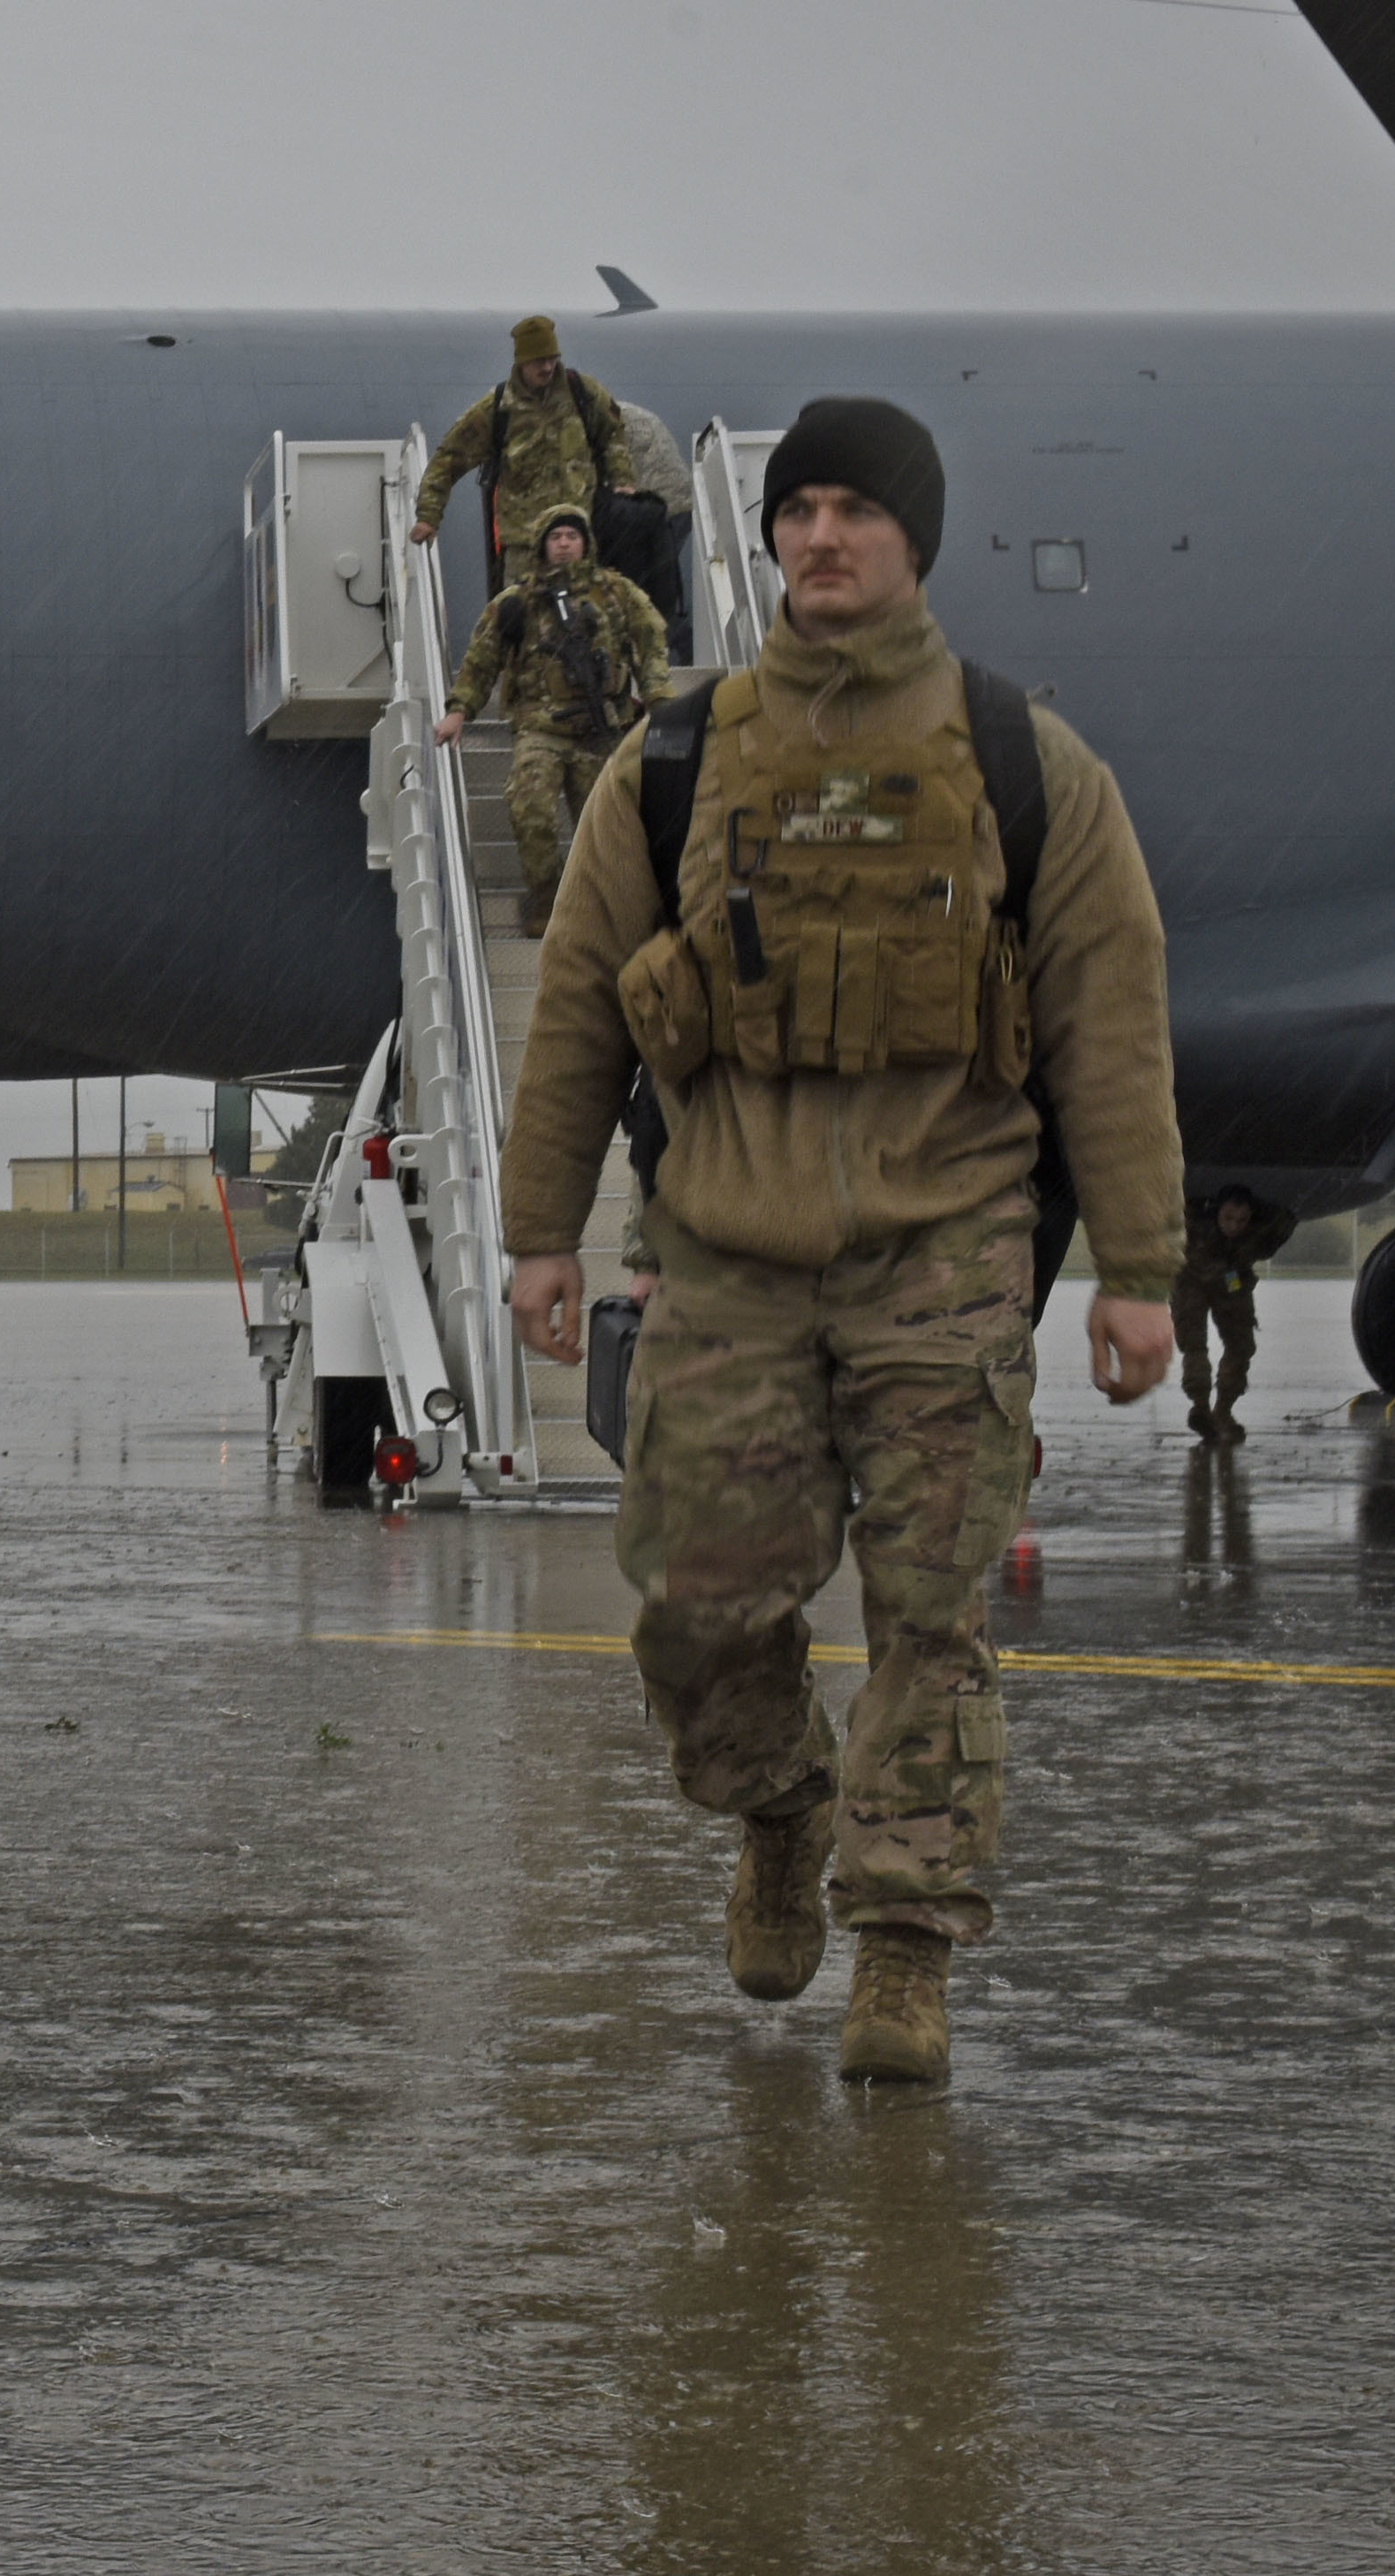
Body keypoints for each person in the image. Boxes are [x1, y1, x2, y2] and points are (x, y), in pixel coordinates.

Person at [499, 396, 1180, 2087]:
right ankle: (781, 1810)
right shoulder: (672, 760)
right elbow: (579, 1000)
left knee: (930, 1614)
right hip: (725, 1250)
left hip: (941, 1247)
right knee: (691, 1607)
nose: (818, 536)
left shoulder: (1024, 764)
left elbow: (1108, 1017)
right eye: (796, 507)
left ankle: (901, 1949)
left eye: (852, 511)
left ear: (910, 540)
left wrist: (1144, 1271)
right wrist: (538, 1234)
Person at [435, 503, 671, 897]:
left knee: (608, 830)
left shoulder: (615, 592)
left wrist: (660, 702)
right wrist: (458, 712)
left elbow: (652, 645)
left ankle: (599, 909)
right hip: (539, 728)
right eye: (556, 537)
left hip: (600, 728)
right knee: (532, 810)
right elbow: (480, 661)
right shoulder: (517, 602)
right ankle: (547, 900)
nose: (564, 544)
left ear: (586, 543)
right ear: (542, 545)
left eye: (572, 536)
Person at [416, 315, 675, 595]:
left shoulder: (583, 393)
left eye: (552, 358)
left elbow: (613, 433)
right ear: (522, 362)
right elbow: (449, 459)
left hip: (578, 541)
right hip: (523, 548)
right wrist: (428, 516)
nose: (548, 366)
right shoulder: (498, 409)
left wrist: (623, 480)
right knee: (519, 621)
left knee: (586, 620)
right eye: (539, 360)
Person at [1171, 1183, 1297, 1443]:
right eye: (1228, 1218)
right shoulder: (1194, 1221)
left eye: (1242, 1220)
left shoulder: (1252, 1235)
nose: (1234, 1226)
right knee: (1194, 1345)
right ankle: (1201, 1407)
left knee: (1241, 1346)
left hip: (1231, 1283)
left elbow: (1284, 1224)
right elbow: (1171, 1215)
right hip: (1191, 1282)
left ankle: (1222, 1411)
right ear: (1217, 1212)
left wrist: (1259, 1210)